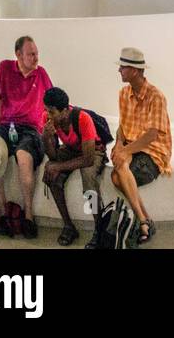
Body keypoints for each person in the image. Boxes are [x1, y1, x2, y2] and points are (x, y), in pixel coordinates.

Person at [0, 35, 53, 239]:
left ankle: (28, 215)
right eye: (31, 54)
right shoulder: (4, 68)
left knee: (24, 157)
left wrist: (50, 133)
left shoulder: (41, 74)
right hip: (6, 125)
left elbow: (52, 104)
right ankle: (3, 212)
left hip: (31, 129)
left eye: (37, 54)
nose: (36, 58)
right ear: (18, 54)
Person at [110, 48, 171, 246]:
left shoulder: (156, 96)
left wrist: (124, 151)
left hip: (153, 151)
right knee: (119, 168)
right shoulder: (123, 93)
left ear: (135, 70)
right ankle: (145, 220)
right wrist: (119, 144)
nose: (119, 70)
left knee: (116, 177)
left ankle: (143, 220)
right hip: (131, 146)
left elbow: (152, 136)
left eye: (123, 67)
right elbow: (122, 126)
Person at [41, 86, 107, 246]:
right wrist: (46, 138)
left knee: (89, 182)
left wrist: (58, 167)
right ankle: (68, 226)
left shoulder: (83, 118)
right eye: (47, 110)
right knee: (51, 176)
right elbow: (53, 156)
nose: (48, 115)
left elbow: (88, 160)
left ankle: (100, 229)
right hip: (72, 149)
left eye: (52, 112)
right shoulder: (48, 119)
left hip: (93, 151)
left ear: (64, 111)